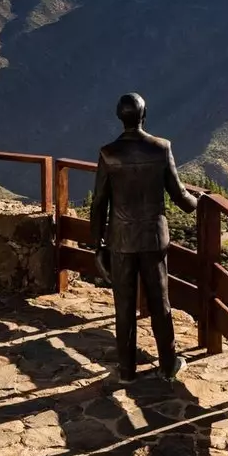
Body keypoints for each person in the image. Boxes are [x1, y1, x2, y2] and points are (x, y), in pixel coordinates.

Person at [88, 92, 200, 383]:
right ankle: (167, 364)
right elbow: (179, 195)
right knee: (160, 303)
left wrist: (96, 245)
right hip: (152, 238)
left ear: (119, 116)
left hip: (120, 241)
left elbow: (98, 203)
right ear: (144, 114)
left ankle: (126, 371)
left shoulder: (108, 154)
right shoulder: (161, 149)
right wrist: (200, 202)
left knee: (123, 306)